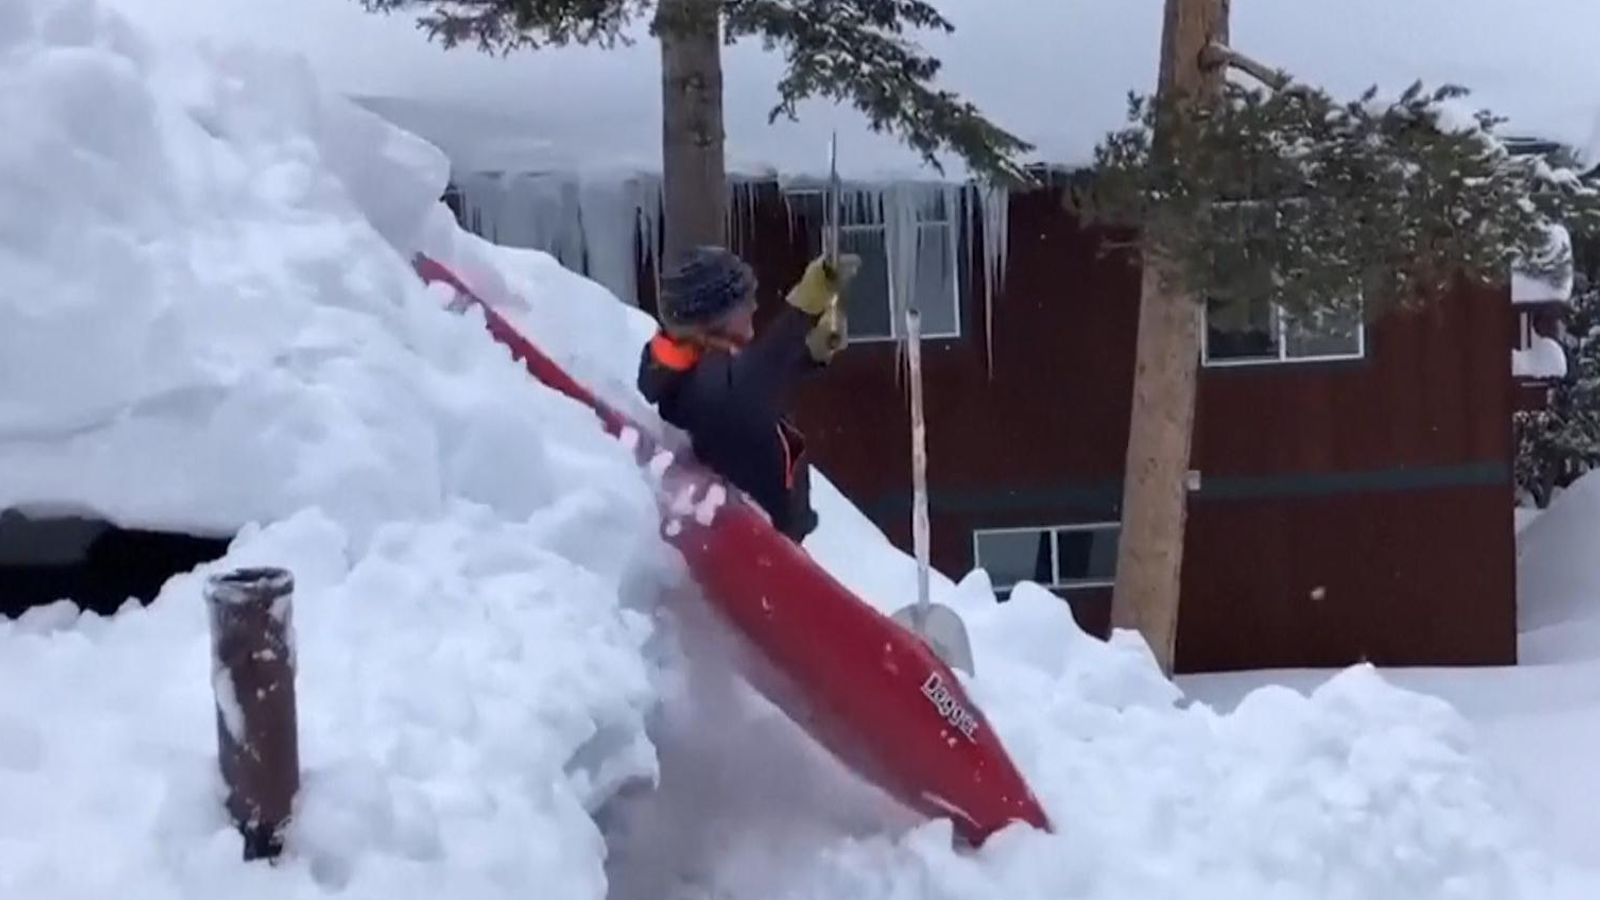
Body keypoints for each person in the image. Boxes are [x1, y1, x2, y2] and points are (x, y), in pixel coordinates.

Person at [637, 246, 859, 543]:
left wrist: (810, 352)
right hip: (756, 552)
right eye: (744, 301)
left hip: (771, 543)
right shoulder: (708, 383)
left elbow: (752, 386)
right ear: (716, 318)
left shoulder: (699, 375)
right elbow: (747, 384)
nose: (754, 306)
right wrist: (803, 309)